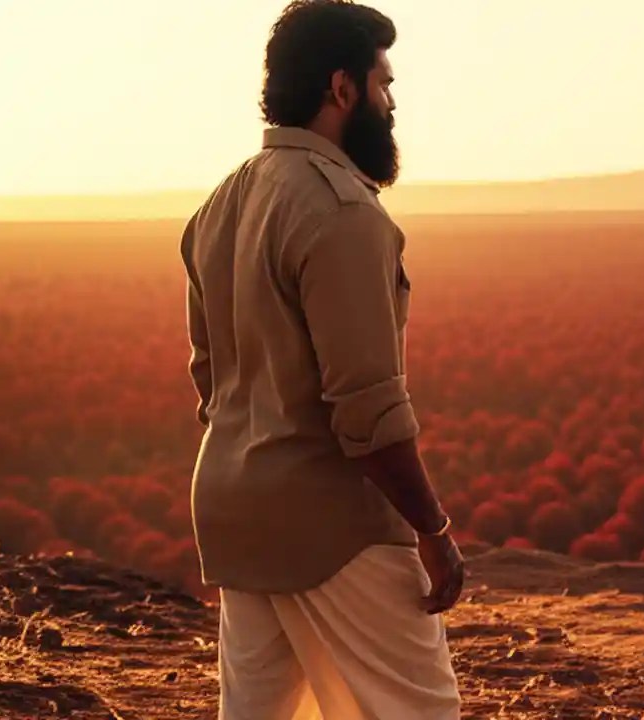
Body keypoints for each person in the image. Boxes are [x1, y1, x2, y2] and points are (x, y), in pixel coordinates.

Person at [178, 1, 464, 718]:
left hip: (235, 514)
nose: (390, 103)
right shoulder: (342, 214)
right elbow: (368, 411)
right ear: (343, 90)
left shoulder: (221, 205)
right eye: (383, 84)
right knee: (421, 711)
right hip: (337, 529)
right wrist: (434, 532)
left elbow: (209, 380)